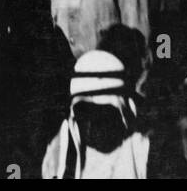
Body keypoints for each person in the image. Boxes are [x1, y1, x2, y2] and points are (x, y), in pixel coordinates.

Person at [42, 50, 149, 179]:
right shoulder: (60, 151)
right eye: (85, 113)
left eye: (103, 113)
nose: (92, 122)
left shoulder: (143, 149)